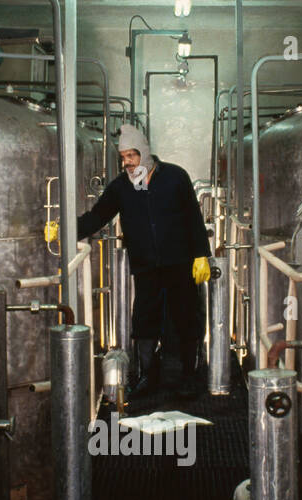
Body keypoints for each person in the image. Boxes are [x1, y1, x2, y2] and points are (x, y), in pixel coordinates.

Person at [51, 124, 211, 398]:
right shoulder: (120, 188)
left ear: (145, 154)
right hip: (146, 267)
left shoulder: (175, 177)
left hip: (179, 263)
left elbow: (193, 218)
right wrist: (63, 229)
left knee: (185, 319)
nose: (126, 163)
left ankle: (187, 378)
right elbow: (96, 217)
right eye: (123, 157)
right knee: (144, 321)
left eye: (131, 157)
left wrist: (201, 255)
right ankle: (147, 377)